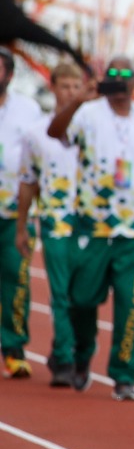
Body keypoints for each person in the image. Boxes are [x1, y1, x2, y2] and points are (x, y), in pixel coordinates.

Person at [46, 56, 134, 400]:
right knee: (81, 300)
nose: (119, 83)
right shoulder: (88, 114)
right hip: (92, 228)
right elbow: (55, 132)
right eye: (113, 76)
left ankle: (124, 375)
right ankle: (81, 355)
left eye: (126, 77)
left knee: (130, 302)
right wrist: (79, 99)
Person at [16, 61, 85, 386]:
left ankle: (73, 351)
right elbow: (28, 180)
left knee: (85, 294)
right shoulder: (36, 133)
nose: (70, 92)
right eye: (65, 86)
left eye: (76, 86)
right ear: (53, 88)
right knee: (61, 293)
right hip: (55, 221)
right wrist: (22, 226)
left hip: (90, 223)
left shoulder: (92, 128)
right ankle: (64, 357)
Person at [1, 49, 44, 378]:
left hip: (15, 211)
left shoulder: (28, 110)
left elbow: (38, 156)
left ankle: (14, 348)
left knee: (16, 277)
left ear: (10, 75)